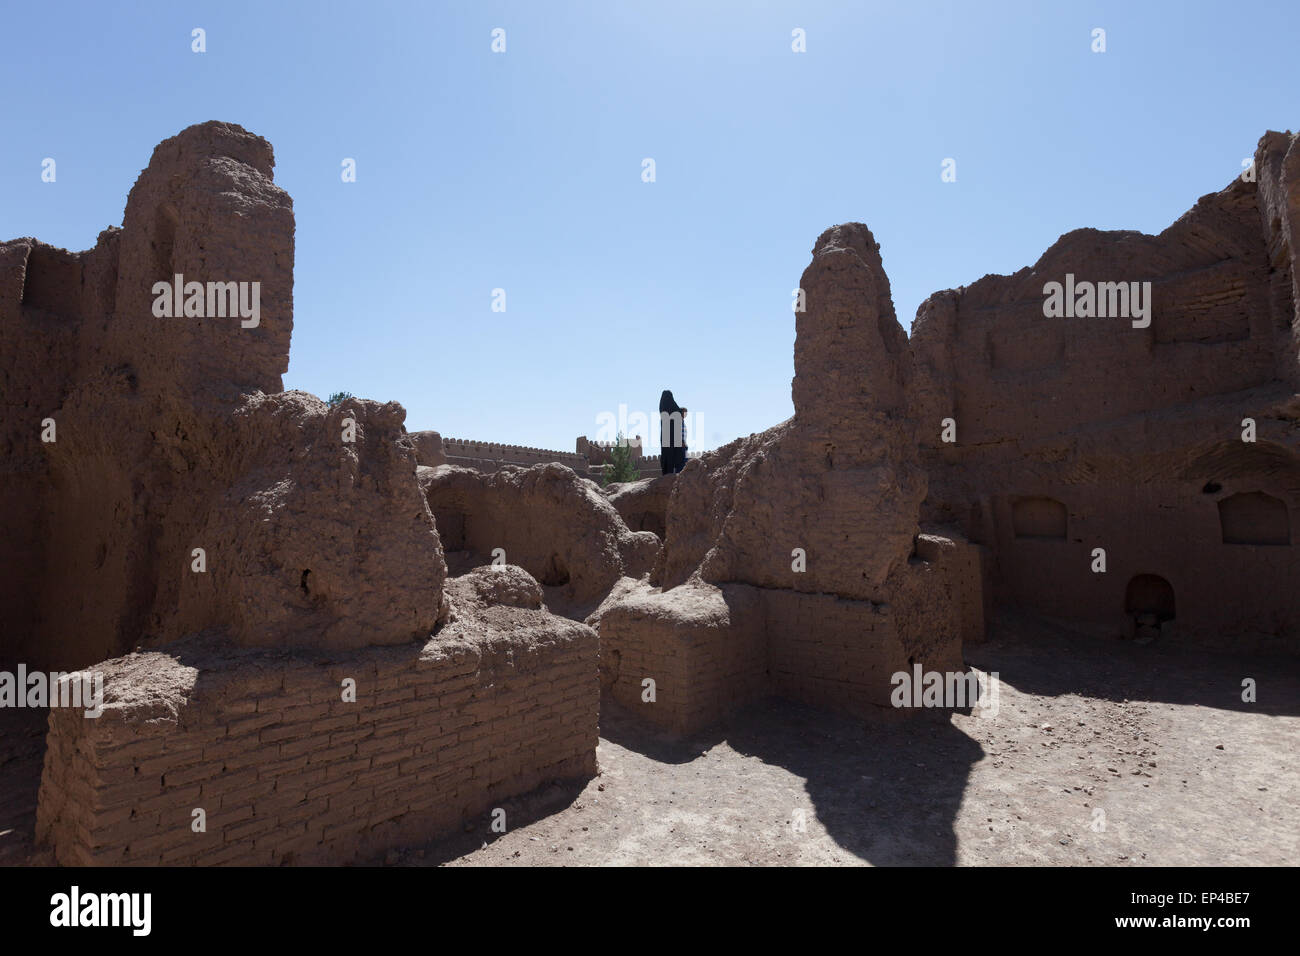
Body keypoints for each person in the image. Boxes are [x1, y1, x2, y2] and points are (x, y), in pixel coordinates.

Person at [659, 389, 688, 474]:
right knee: (679, 459)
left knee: (667, 456)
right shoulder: (676, 410)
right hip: (676, 440)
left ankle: (667, 474)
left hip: (665, 439)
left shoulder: (663, 412)